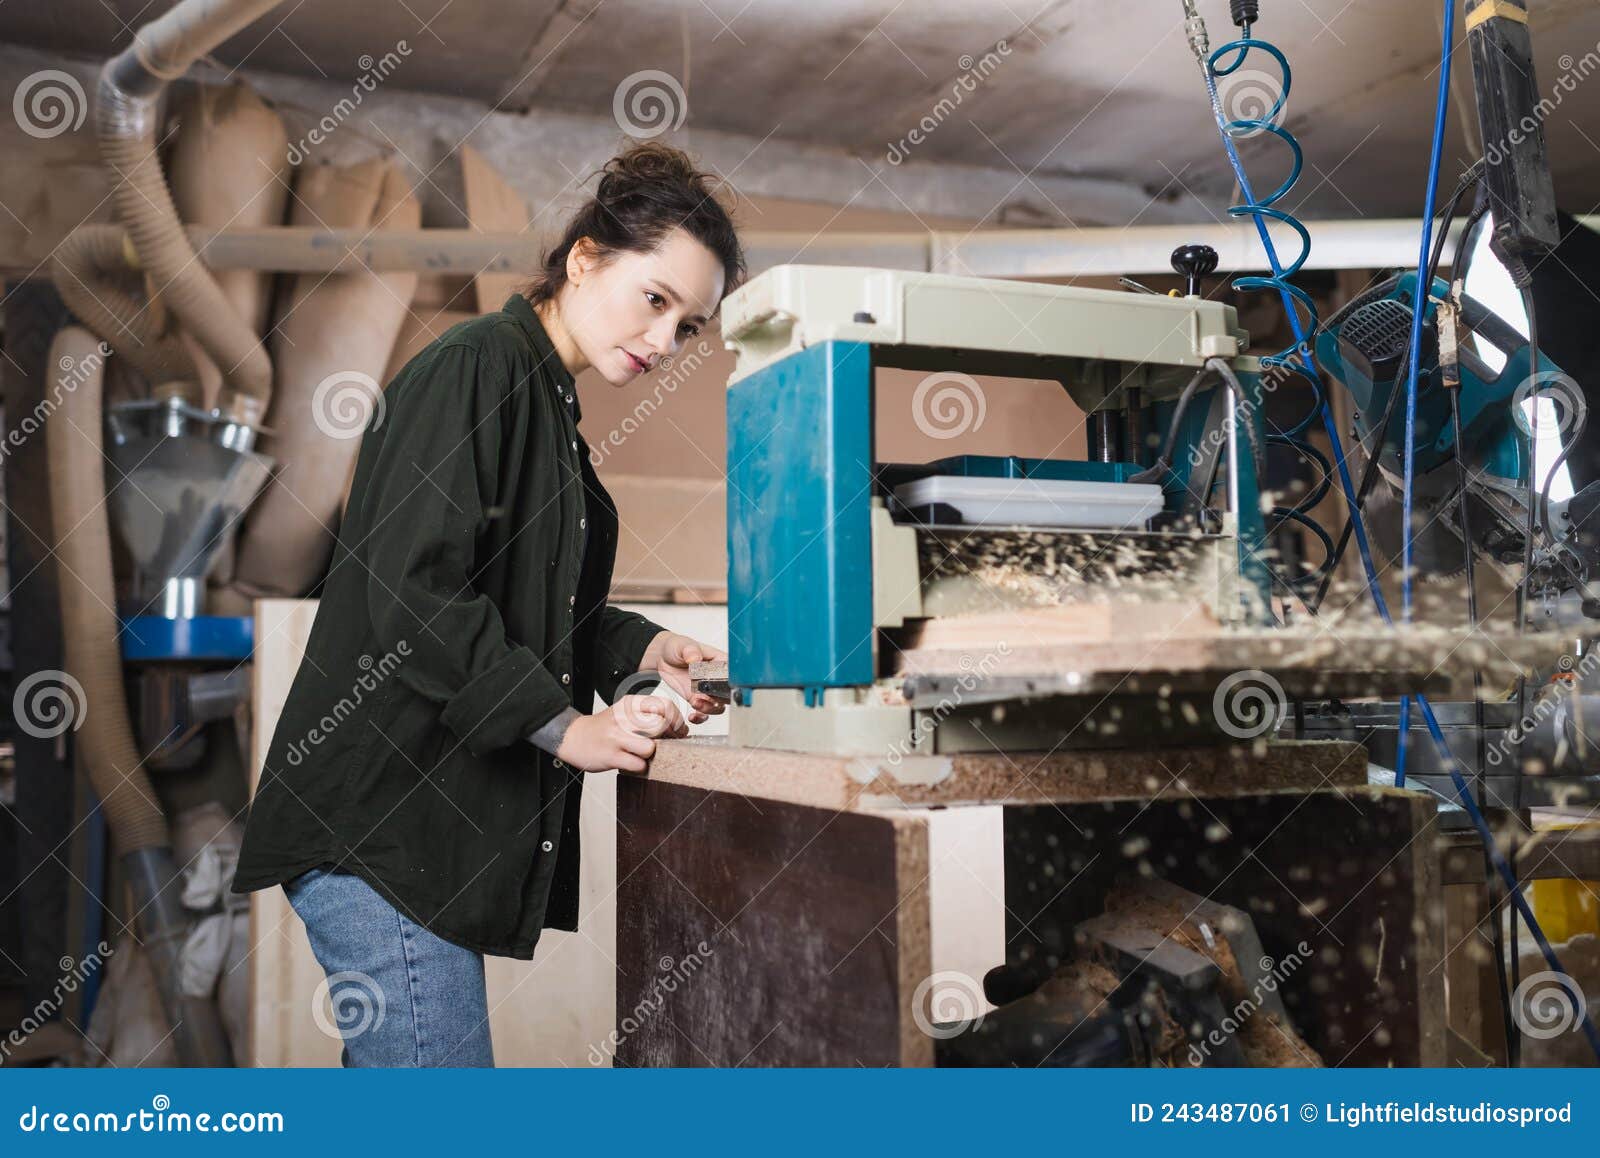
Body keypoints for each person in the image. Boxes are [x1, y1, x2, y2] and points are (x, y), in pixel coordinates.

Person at [232, 142, 745, 1067]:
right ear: (586, 258)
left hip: (415, 836)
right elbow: (412, 590)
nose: (666, 343)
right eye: (657, 300)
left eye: (691, 327)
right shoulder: (478, 370)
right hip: (377, 827)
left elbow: (531, 608)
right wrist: (562, 727)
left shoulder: (549, 413)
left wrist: (646, 644)